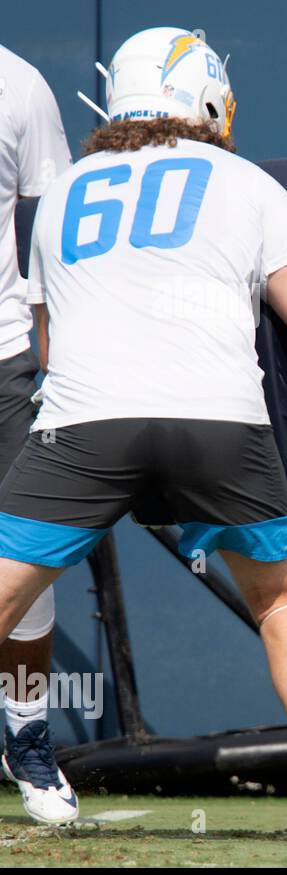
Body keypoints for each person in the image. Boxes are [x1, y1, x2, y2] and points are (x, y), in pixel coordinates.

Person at [2, 27, 287, 842]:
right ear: (202, 96)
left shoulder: (66, 192)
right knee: (283, 601)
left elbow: (46, 344)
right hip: (219, 421)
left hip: (86, 420)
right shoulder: (245, 183)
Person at [0, 42, 75, 824]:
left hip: (5, 357)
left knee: (25, 562)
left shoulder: (20, 86)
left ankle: (25, 733)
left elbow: (54, 224)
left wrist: (59, 359)